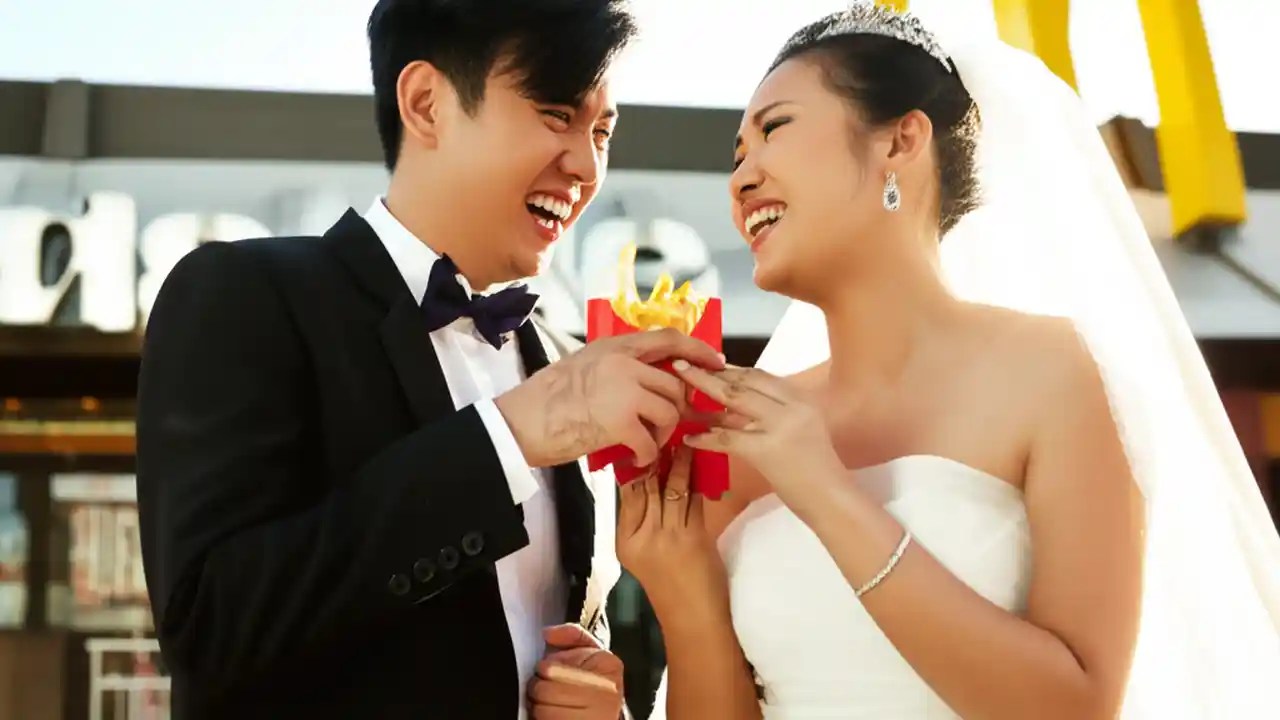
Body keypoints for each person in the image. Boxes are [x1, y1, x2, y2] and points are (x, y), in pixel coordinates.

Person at [619, 4, 1280, 719]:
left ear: (902, 140)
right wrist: (678, 583)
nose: (742, 179)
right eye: (736, 154)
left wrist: (826, 492)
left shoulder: (1053, 374)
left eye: (774, 129)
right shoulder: (746, 428)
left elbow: (1078, 706)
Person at [135, 1, 725, 718]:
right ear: (426, 104)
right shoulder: (244, 296)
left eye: (602, 130)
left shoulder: (566, 360)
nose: (586, 163)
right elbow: (212, 628)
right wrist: (505, 437)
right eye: (555, 113)